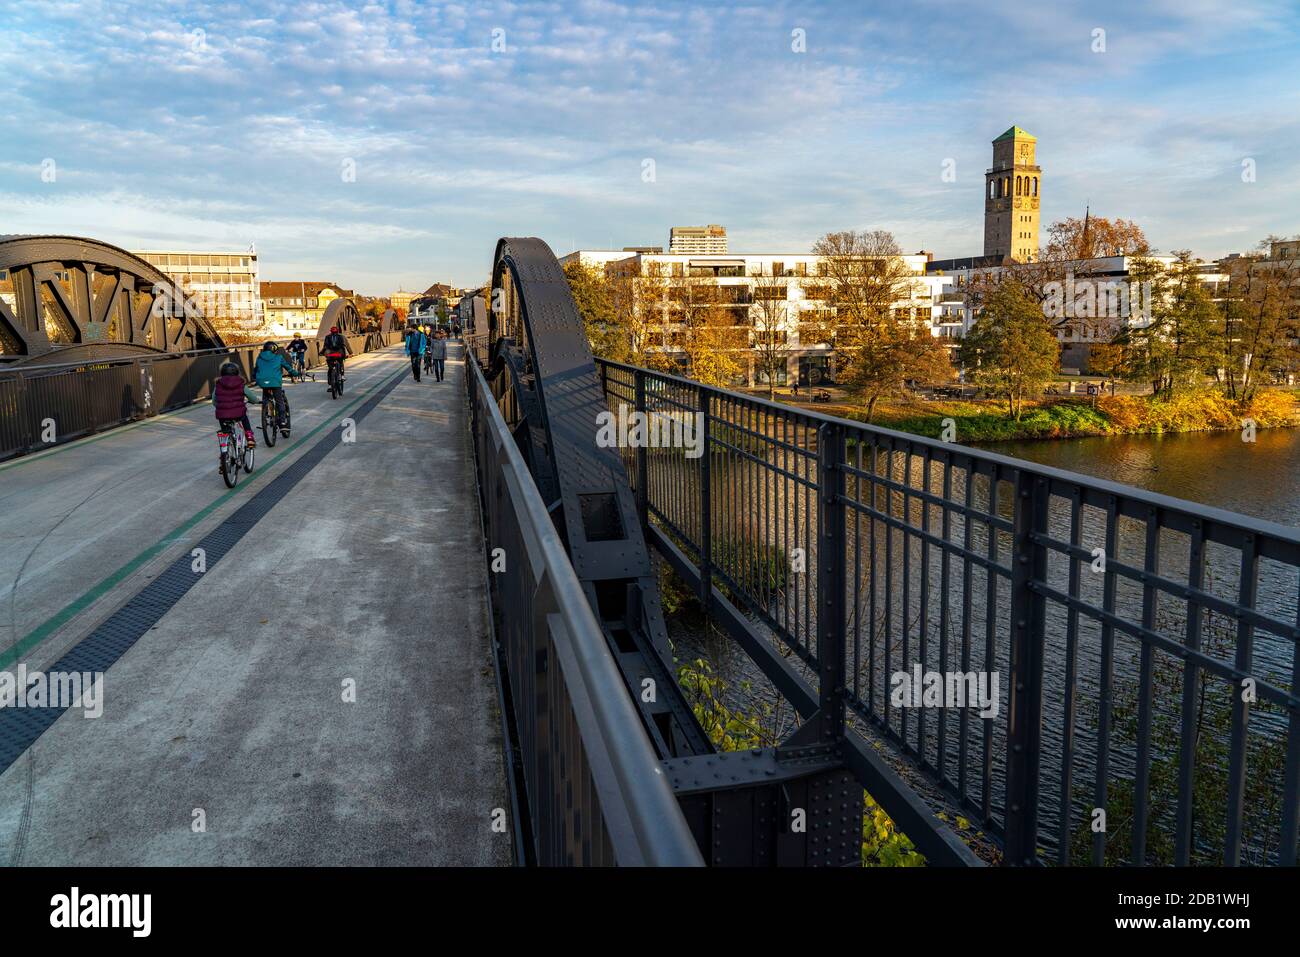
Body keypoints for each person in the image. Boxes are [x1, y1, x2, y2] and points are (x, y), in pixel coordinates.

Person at [213, 360, 258, 451]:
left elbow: (214, 402)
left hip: (222, 415)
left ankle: (225, 451)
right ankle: (249, 437)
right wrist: (255, 401)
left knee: (225, 431)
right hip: (238, 414)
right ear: (237, 372)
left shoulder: (218, 385)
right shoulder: (241, 384)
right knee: (244, 417)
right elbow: (253, 398)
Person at [254, 341, 296, 434]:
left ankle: (265, 414)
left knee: (265, 398)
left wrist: (255, 377)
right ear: (274, 350)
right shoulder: (278, 357)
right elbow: (288, 367)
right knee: (279, 401)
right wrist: (295, 373)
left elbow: (256, 369)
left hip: (262, 382)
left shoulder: (259, 357)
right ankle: (282, 422)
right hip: (275, 382)